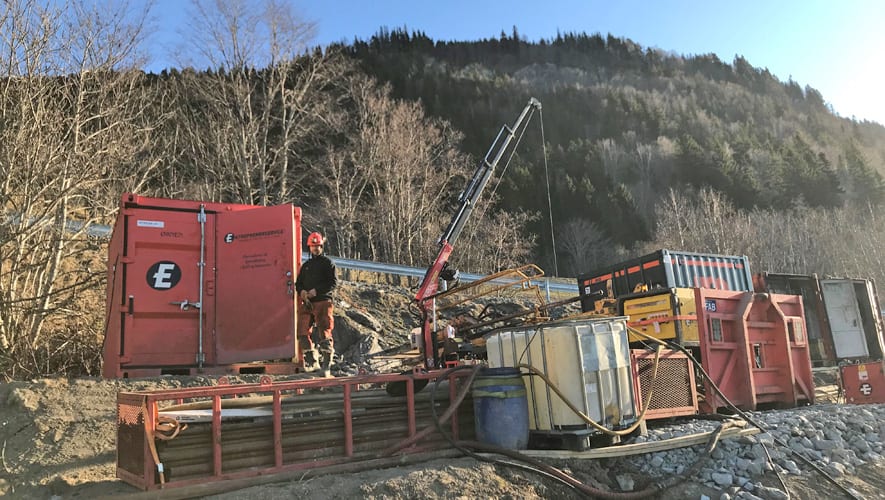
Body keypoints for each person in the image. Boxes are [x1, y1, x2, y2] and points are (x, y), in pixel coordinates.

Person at [295, 231, 337, 377]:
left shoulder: (327, 263)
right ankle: (312, 362)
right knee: (301, 332)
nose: (315, 249)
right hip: (307, 302)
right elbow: (298, 283)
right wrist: (302, 292)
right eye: (313, 246)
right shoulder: (306, 266)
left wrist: (316, 291)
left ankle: (326, 365)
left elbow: (333, 283)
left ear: (322, 247)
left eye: (318, 246)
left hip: (323, 301)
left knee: (324, 332)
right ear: (309, 248)